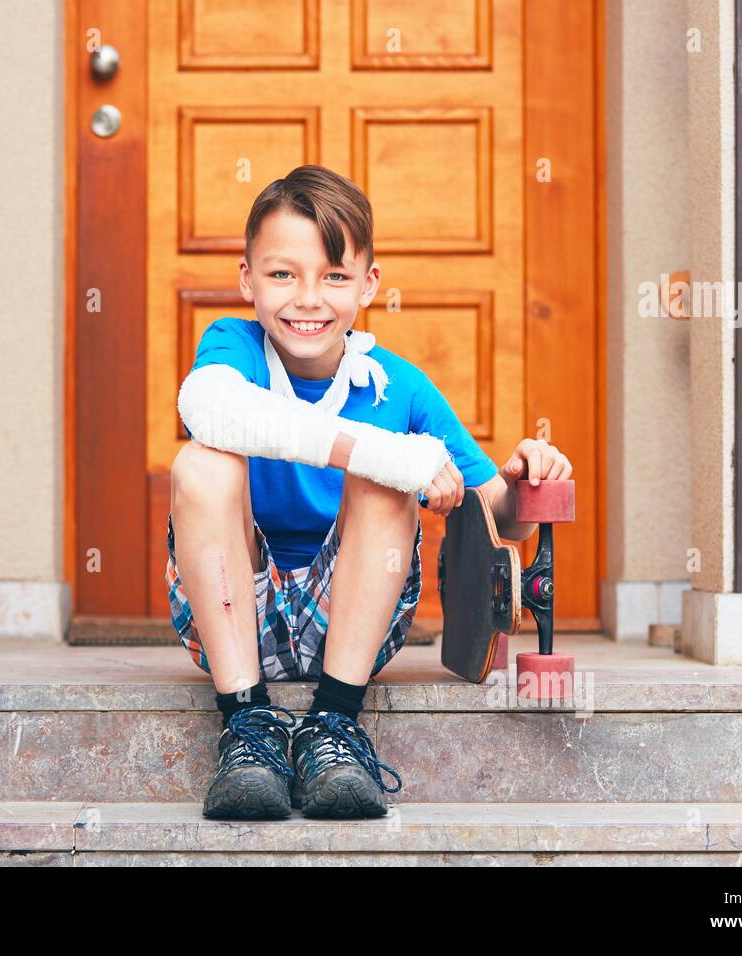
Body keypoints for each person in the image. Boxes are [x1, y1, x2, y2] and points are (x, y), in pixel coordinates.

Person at [167, 164, 573, 820]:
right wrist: (390, 453)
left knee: (387, 483)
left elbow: (497, 513)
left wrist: (523, 481)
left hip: (350, 630)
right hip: (232, 617)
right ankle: (247, 727)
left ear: (369, 284)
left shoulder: (398, 384)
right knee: (201, 463)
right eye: (281, 274)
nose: (307, 299)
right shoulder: (233, 348)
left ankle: (333, 725)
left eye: (333, 275)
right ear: (247, 279)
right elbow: (209, 407)